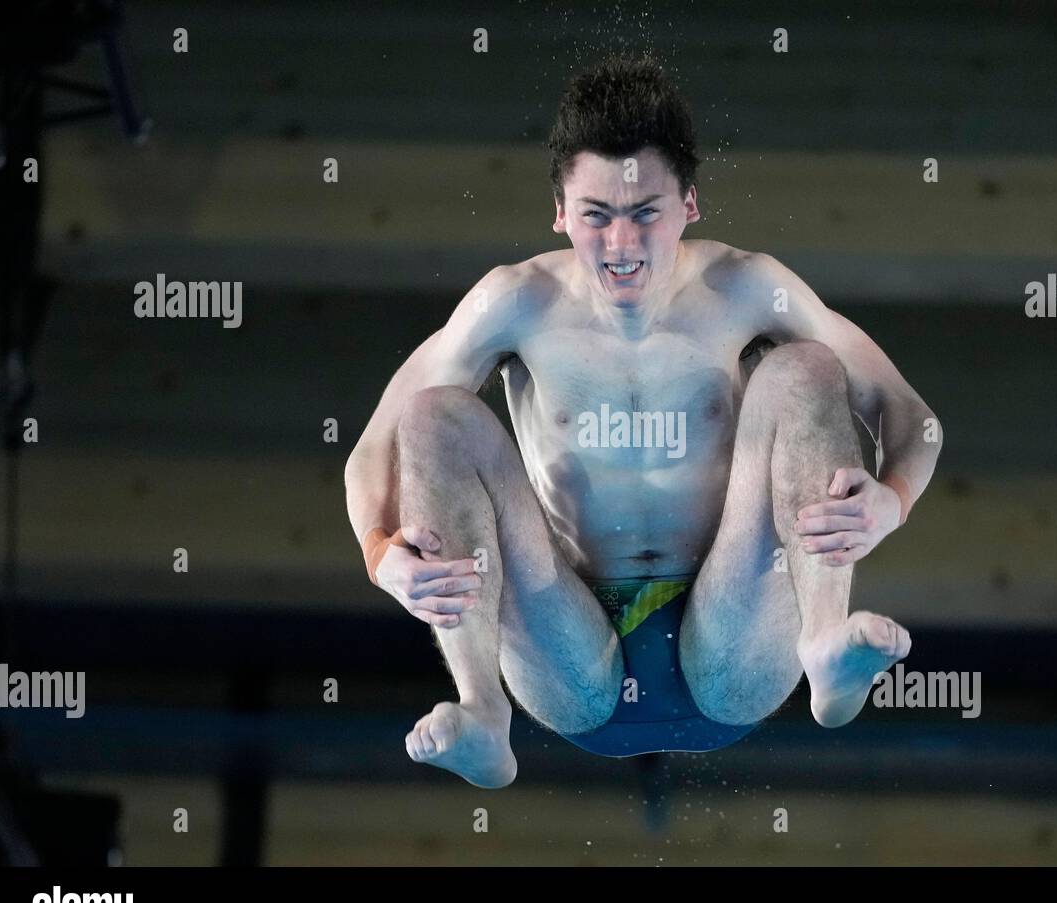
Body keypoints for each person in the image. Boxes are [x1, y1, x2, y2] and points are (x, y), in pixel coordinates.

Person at [344, 54, 942, 788]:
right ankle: (482, 713)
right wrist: (381, 556)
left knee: (805, 369)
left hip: (737, 632)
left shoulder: (747, 288)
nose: (621, 248)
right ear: (560, 212)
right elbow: (373, 447)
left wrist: (892, 502)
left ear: (689, 203)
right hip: (565, 646)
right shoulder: (513, 304)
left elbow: (912, 415)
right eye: (595, 217)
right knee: (432, 416)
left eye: (644, 214)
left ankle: (823, 644)